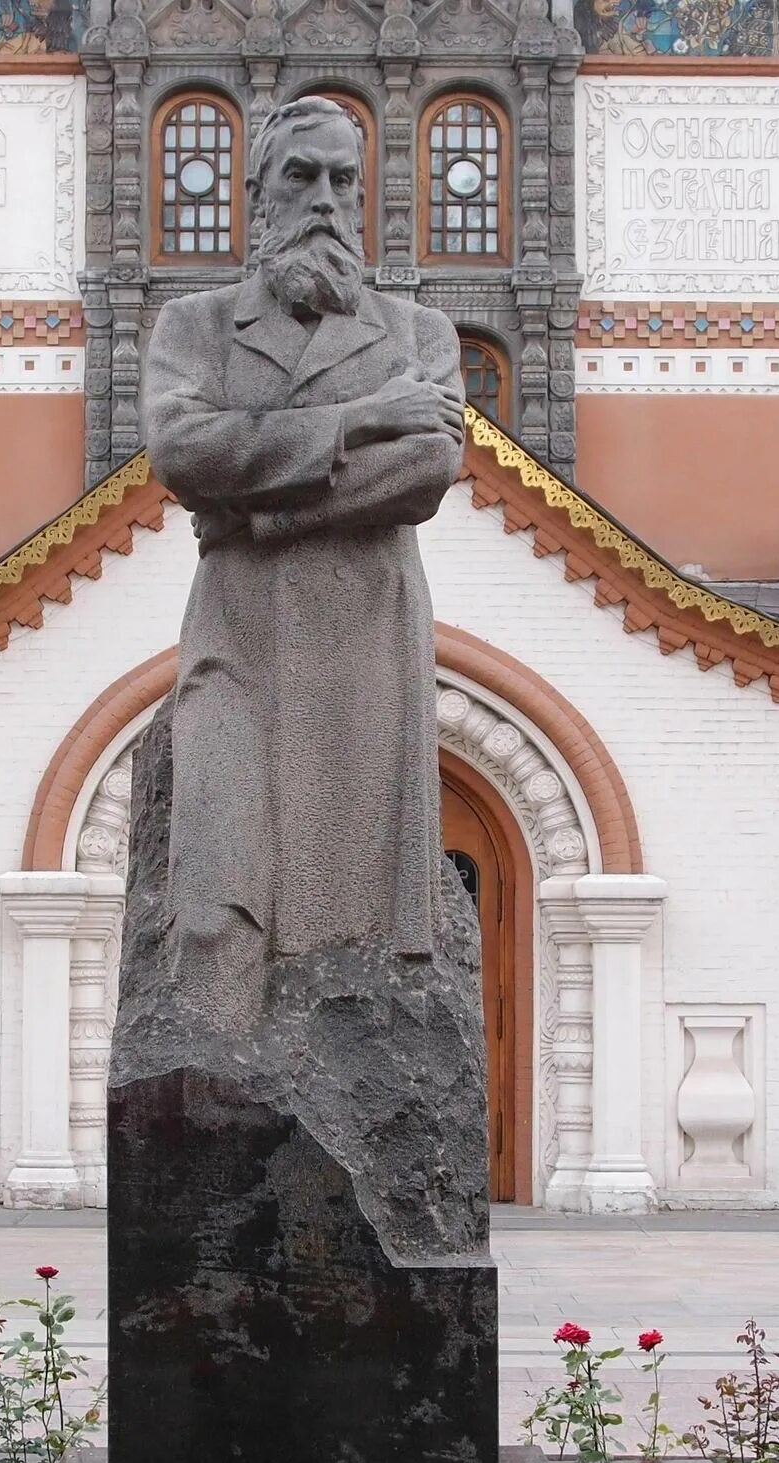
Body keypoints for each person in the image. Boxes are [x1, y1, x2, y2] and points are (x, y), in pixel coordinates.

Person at [143, 95, 467, 1028]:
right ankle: (214, 1095)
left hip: (362, 650)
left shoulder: (419, 336)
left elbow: (426, 469)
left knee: (351, 927)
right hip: (236, 636)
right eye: (301, 176)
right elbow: (184, 451)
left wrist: (254, 515)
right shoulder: (193, 328)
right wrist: (359, 420)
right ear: (258, 194)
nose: (324, 199)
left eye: (342, 180)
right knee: (213, 884)